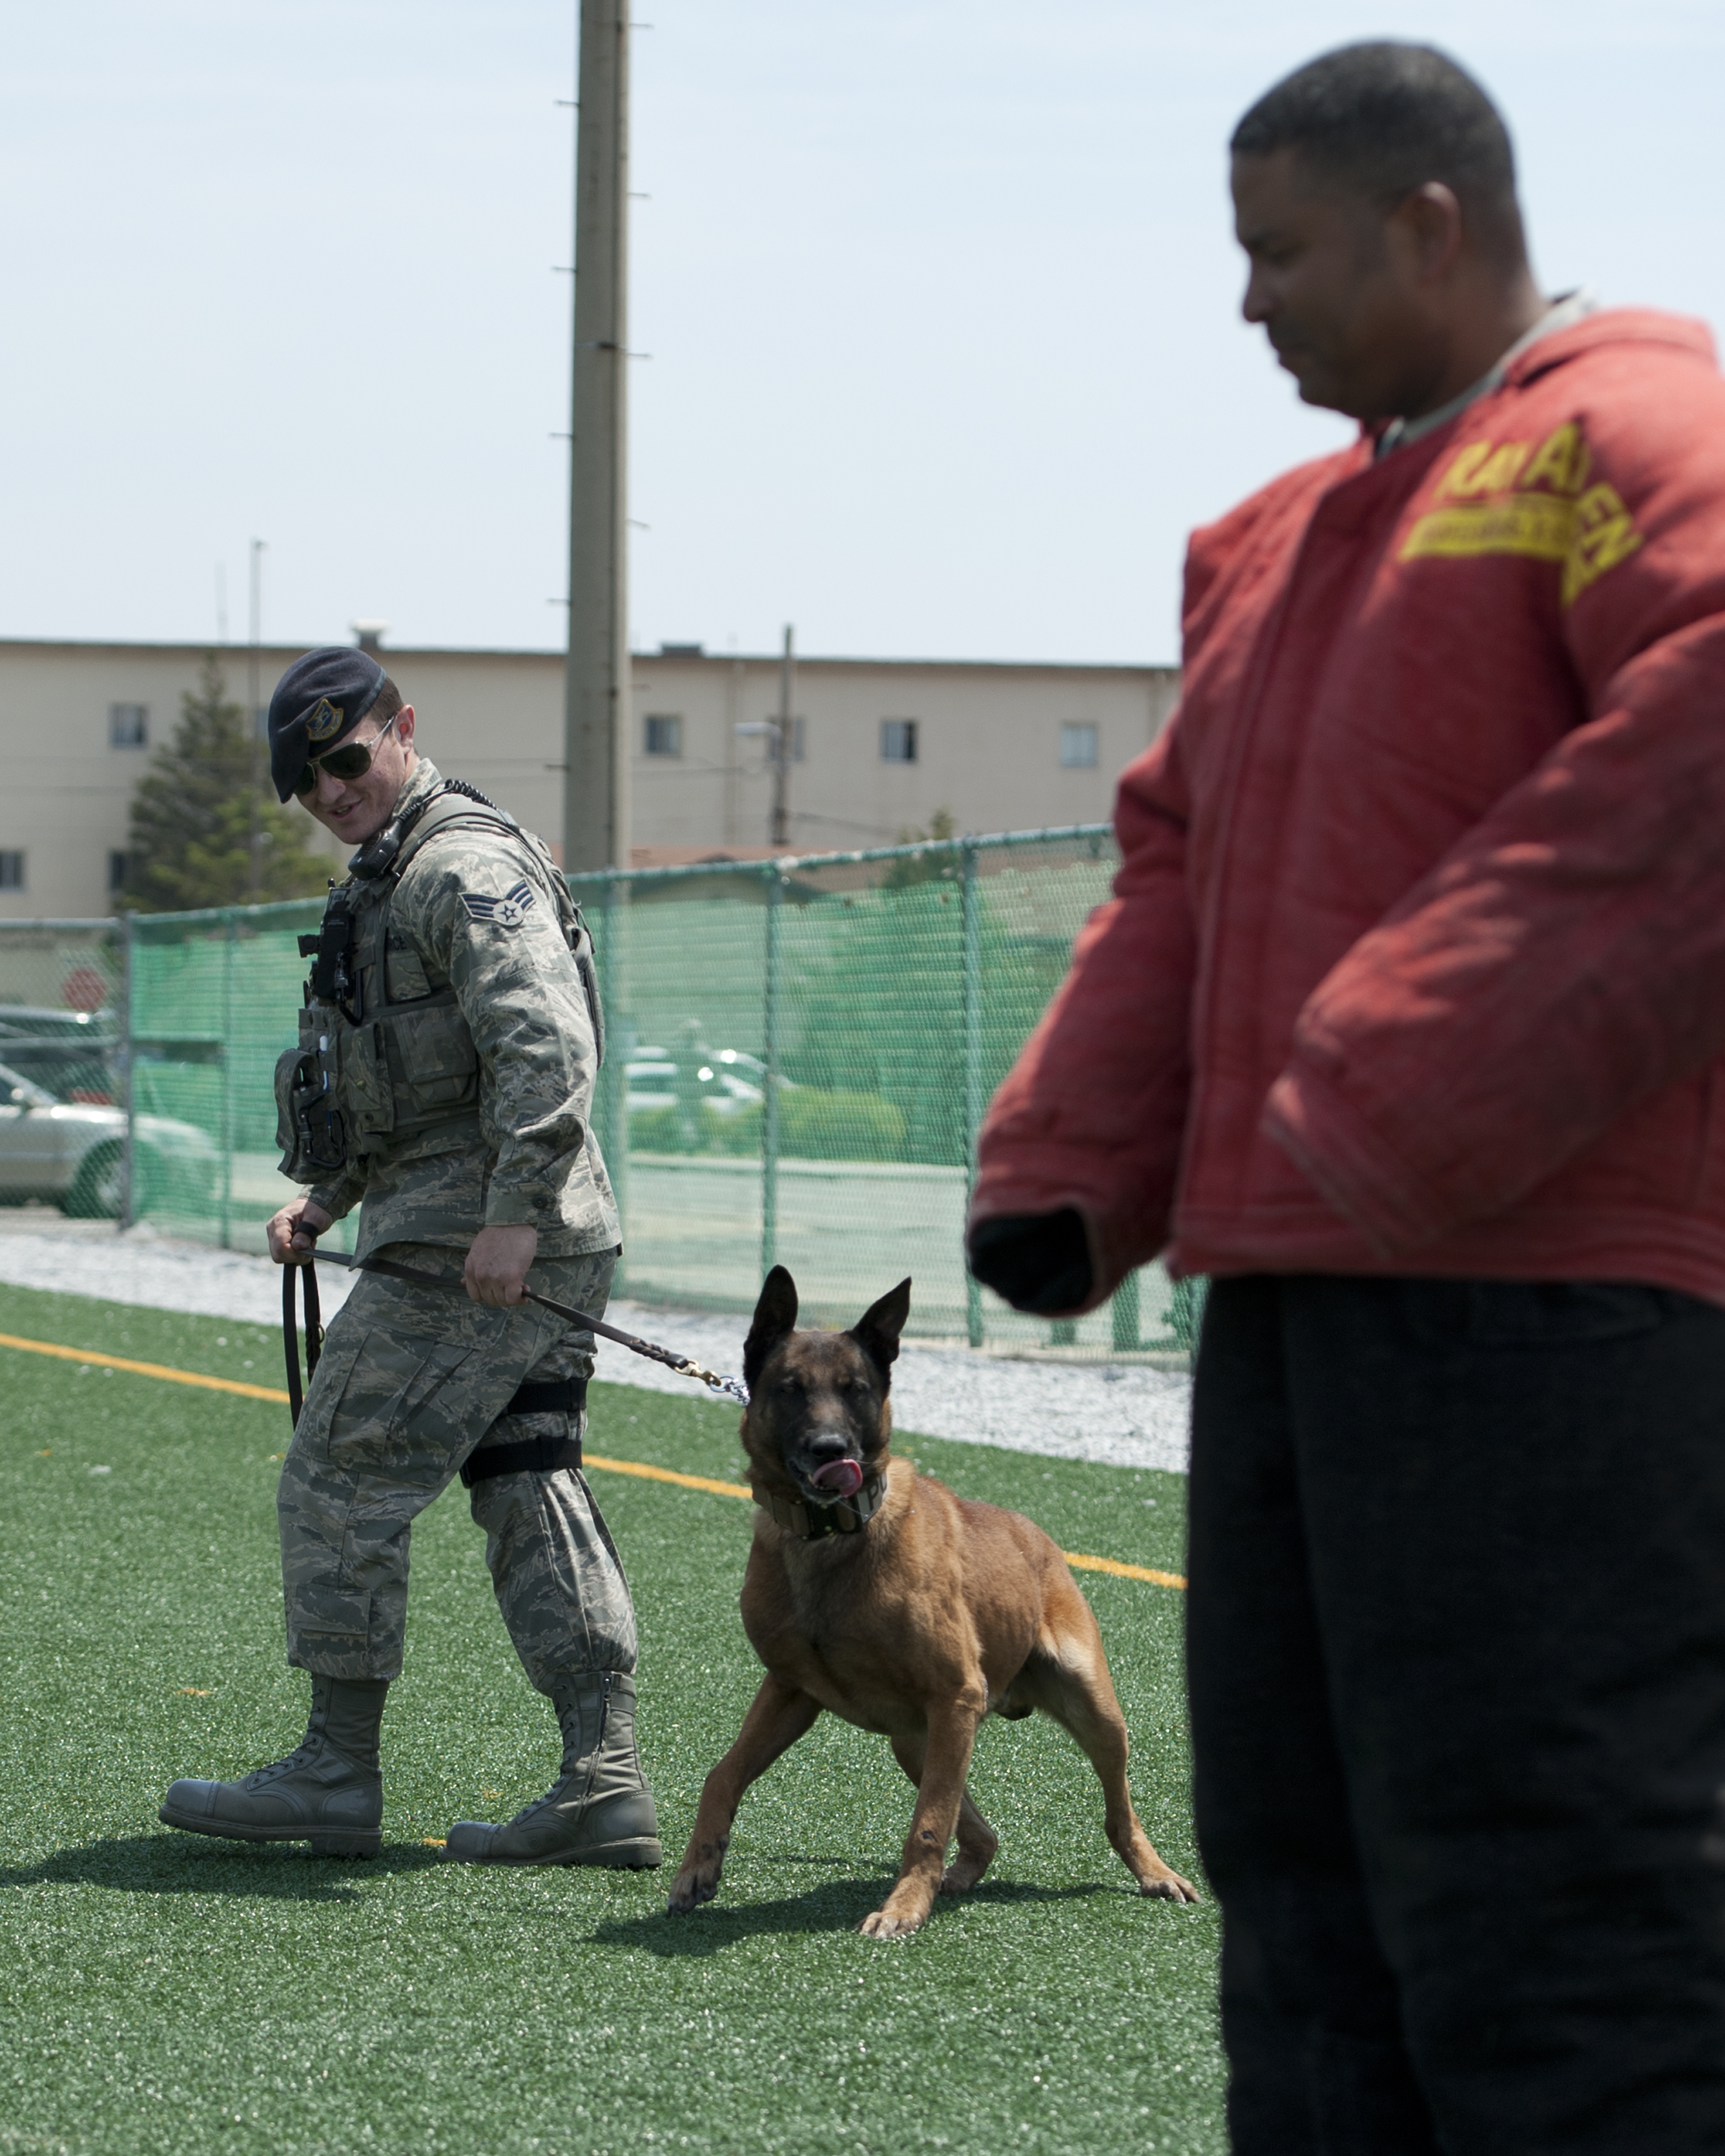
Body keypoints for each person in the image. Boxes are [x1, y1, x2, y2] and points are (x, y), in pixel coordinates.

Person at [968, 41, 1725, 2156]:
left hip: (1558, 1305)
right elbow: (1180, 860)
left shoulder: (1643, 434)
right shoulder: (1275, 538)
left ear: (1431, 223)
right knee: (1302, 1898)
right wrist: (1076, 1159)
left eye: (1277, 251)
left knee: (1559, 1904)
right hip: (1296, 1302)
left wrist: (1400, 1076)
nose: (1247, 304)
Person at [159, 646, 660, 1869]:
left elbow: (546, 1046)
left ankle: (335, 1774)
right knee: (525, 1474)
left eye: (346, 757)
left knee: (339, 1472)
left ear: (401, 728)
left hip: (480, 1235)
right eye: (307, 780)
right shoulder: (395, 872)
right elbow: (403, 1082)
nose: (332, 790)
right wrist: (327, 1200)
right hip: (481, 1219)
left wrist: (514, 1209)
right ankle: (604, 1783)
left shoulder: (461, 866)